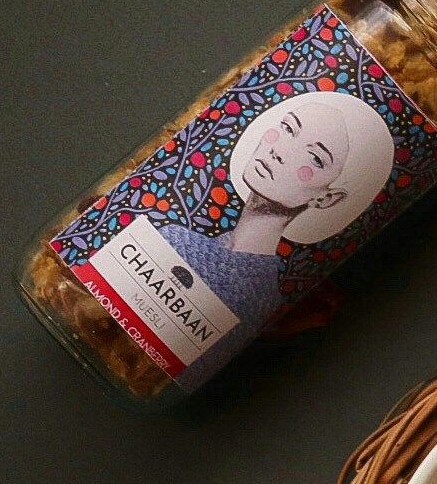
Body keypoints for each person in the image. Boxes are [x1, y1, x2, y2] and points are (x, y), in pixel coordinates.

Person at [149, 92, 394, 335]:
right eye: (288, 128)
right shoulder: (176, 236)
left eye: (315, 158)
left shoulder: (260, 303)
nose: (281, 151)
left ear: (325, 198)